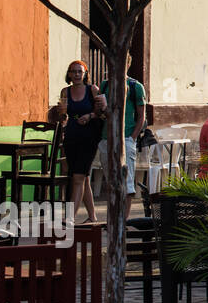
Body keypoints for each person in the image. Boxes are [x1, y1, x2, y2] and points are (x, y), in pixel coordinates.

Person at [96, 72, 147, 221]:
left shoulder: (135, 86)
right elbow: (99, 112)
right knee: (110, 182)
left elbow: (141, 116)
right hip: (107, 138)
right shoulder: (105, 85)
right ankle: (113, 218)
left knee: (127, 183)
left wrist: (132, 138)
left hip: (126, 138)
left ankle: (122, 220)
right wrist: (101, 109)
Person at [58, 60, 103, 224]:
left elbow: (102, 112)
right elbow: (63, 116)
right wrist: (61, 114)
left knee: (77, 177)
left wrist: (90, 116)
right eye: (73, 72)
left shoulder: (93, 90)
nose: (76, 75)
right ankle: (92, 216)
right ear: (69, 74)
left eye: (79, 72)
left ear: (85, 74)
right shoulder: (65, 91)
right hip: (71, 136)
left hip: (89, 137)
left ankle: (70, 216)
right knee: (82, 178)